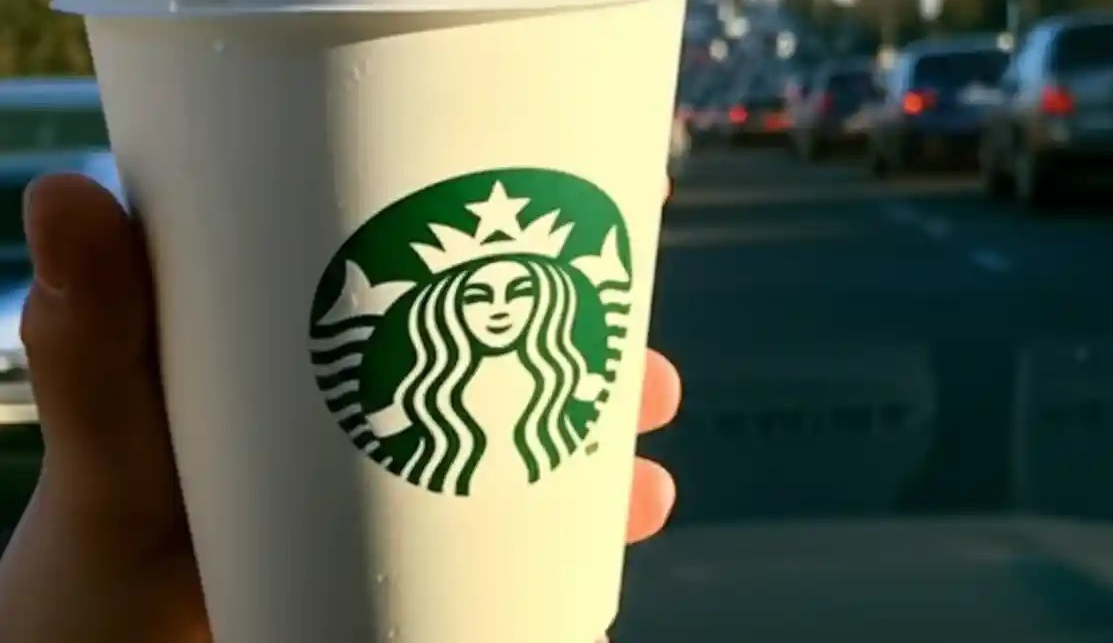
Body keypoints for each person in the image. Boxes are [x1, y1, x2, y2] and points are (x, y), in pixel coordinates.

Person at [0, 173, 682, 643]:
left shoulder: (547, 396)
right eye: (478, 296)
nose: (500, 311)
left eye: (520, 294)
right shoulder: (414, 409)